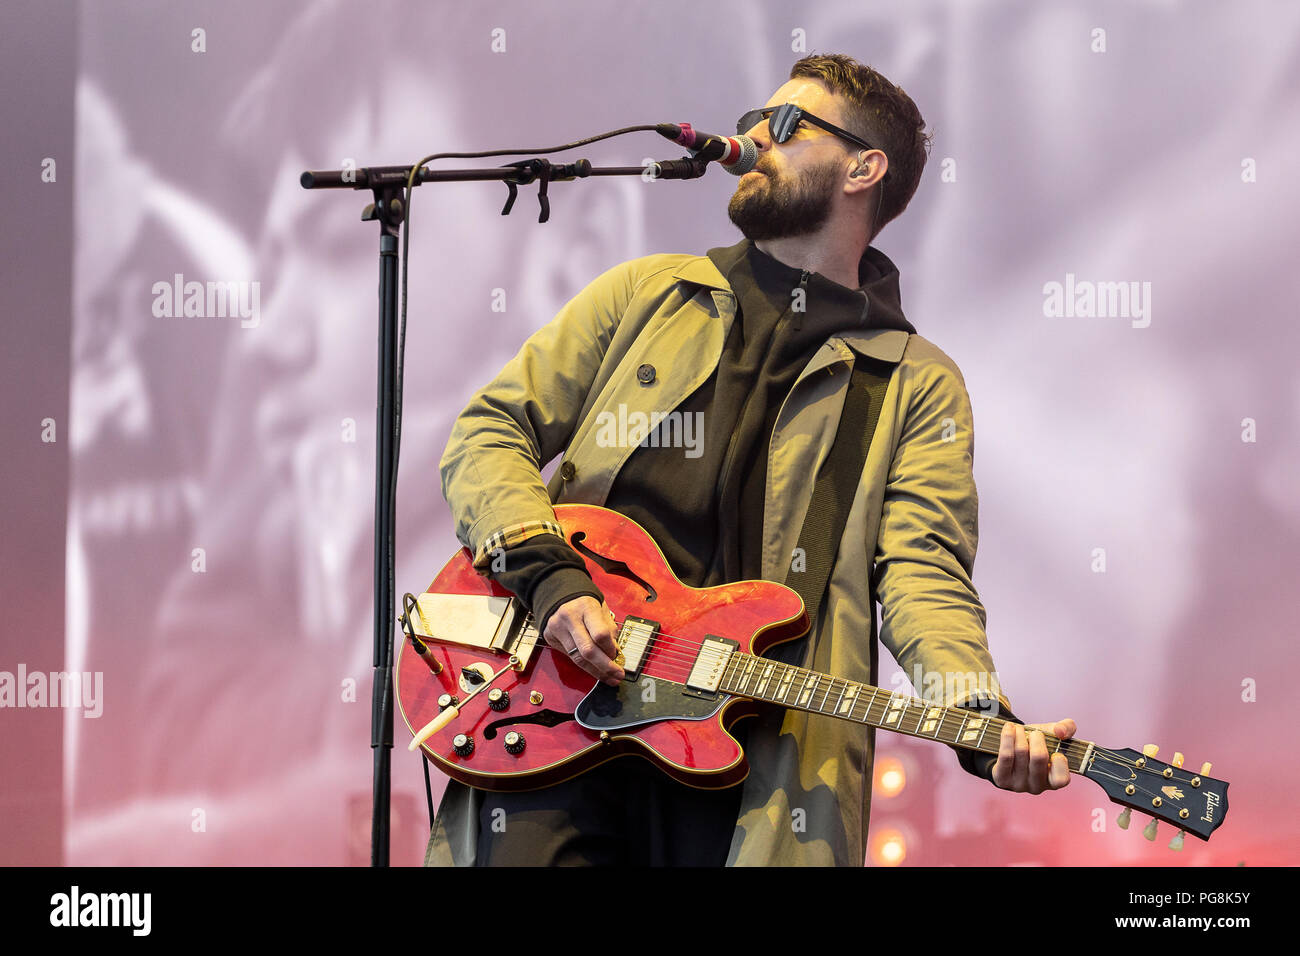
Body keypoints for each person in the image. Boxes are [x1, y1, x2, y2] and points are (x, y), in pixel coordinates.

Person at [425, 53, 1076, 867]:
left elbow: (923, 575)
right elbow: (490, 430)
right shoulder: (646, 295)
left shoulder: (915, 380)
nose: (754, 138)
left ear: (863, 170)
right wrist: (550, 577)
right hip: (554, 707)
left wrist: (978, 712)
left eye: (789, 125)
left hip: (750, 764)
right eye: (752, 121)